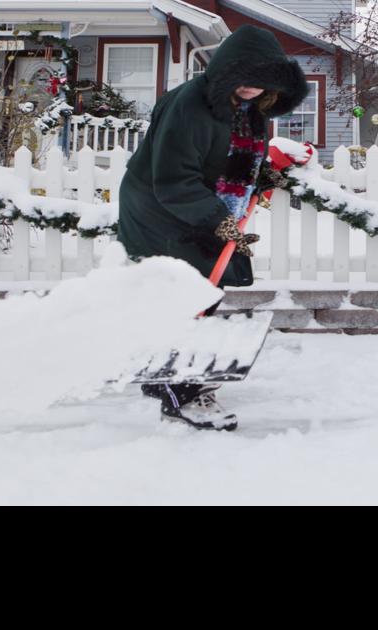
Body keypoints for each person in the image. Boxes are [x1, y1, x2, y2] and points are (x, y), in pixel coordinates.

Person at [117, 25, 308, 431]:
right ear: (226, 71)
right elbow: (173, 178)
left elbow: (231, 160)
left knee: (206, 291)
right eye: (246, 78)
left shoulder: (249, 109)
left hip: (204, 208)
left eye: (264, 82)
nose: (253, 88)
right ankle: (177, 393)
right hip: (160, 210)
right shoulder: (188, 105)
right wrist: (220, 222)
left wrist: (260, 179)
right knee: (182, 297)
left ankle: (181, 377)